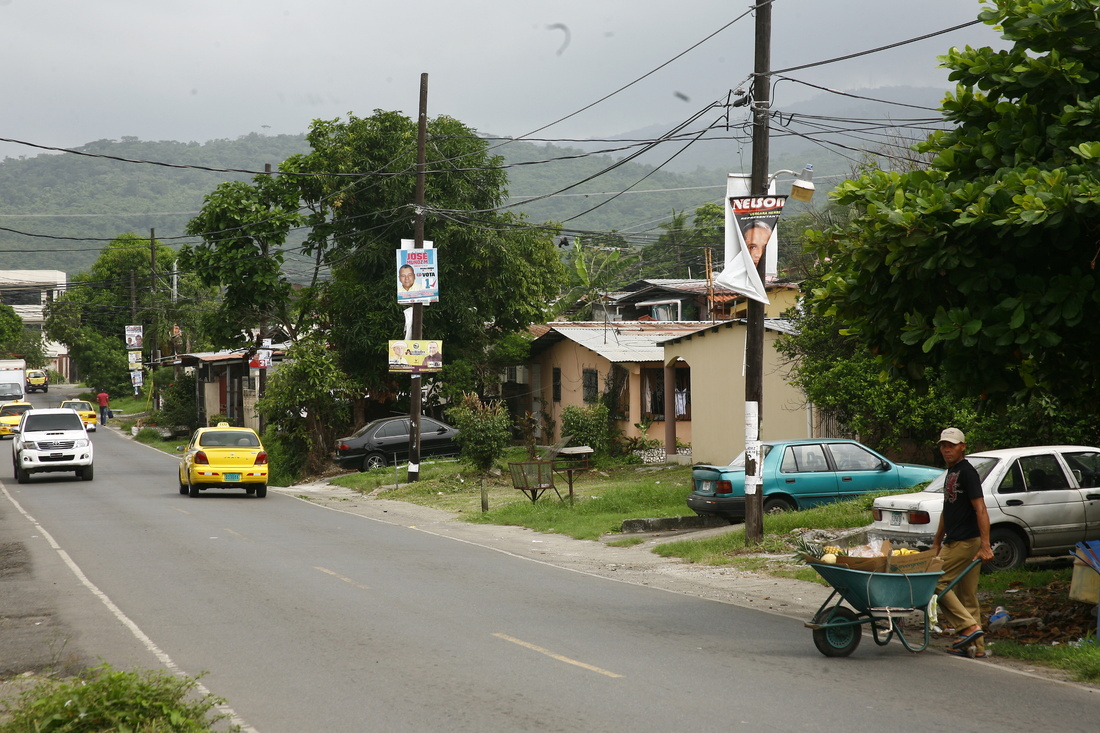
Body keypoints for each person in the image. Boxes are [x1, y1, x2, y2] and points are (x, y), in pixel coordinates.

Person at [932, 427, 994, 658]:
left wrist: (985, 545)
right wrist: (937, 542)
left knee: (935, 581)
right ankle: (976, 647)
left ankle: (967, 628)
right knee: (967, 595)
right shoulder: (951, 472)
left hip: (966, 542)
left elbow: (980, 508)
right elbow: (947, 511)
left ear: (963, 447)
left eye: (952, 445)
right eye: (943, 445)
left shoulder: (967, 472)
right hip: (957, 540)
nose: (946, 449)